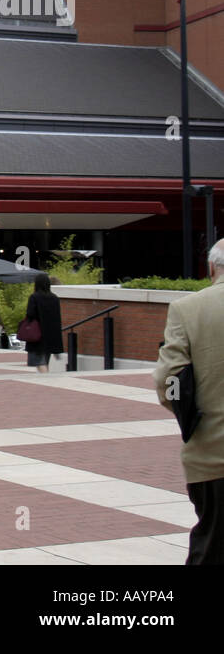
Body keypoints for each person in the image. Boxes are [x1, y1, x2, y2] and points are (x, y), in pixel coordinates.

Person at [154, 239, 224, 564]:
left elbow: (168, 381)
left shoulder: (188, 308)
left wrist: (190, 416)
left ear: (212, 268)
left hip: (212, 454)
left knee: (210, 546)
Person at [23, 273, 64, 372]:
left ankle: (46, 378)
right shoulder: (54, 298)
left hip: (37, 334)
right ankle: (46, 375)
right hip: (51, 334)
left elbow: (30, 314)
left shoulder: (34, 297)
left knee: (39, 362)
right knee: (46, 360)